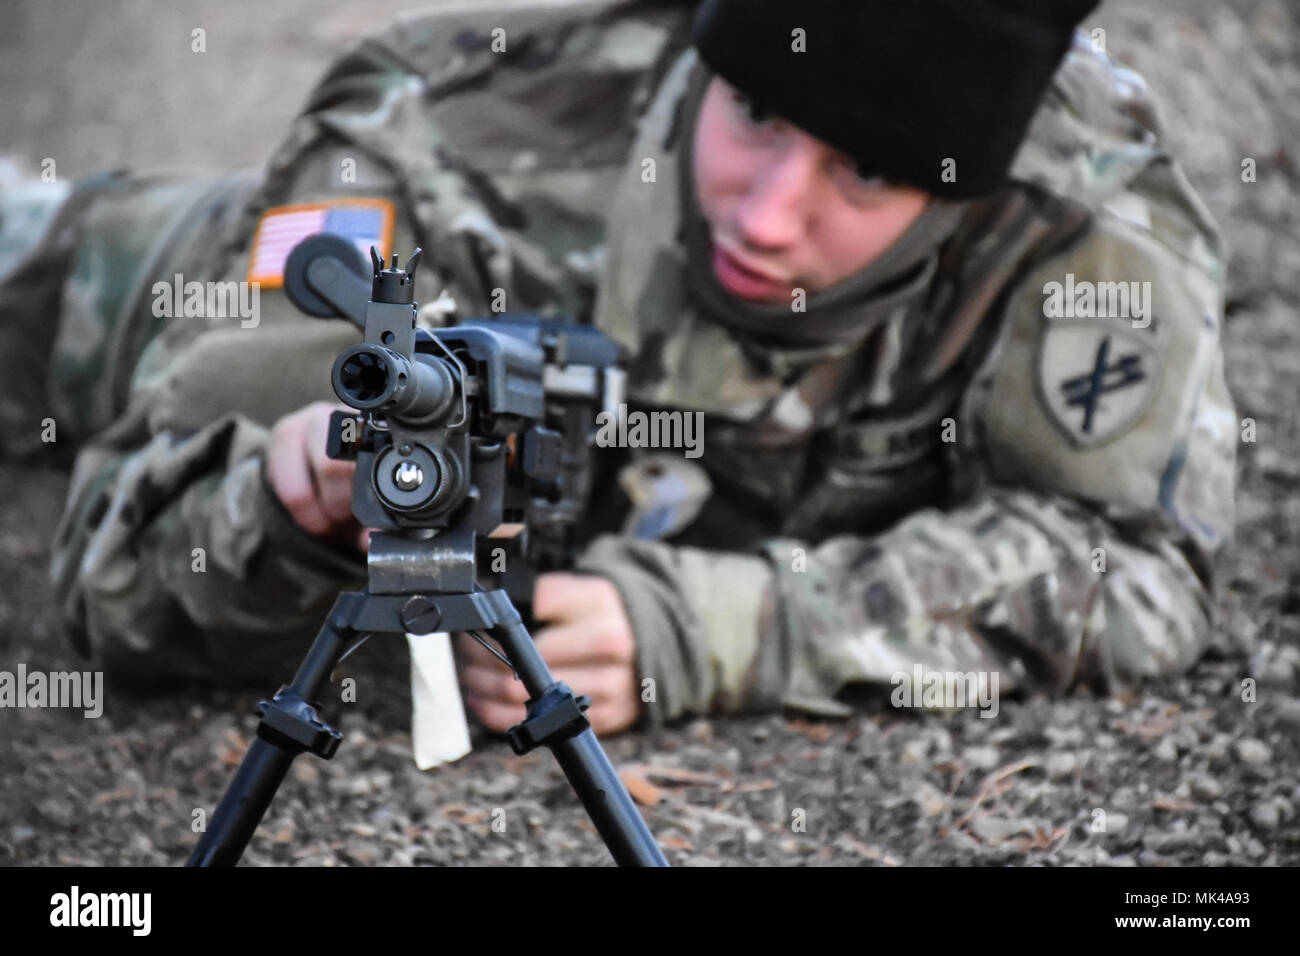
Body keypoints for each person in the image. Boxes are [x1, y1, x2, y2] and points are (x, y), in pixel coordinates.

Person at [7, 0, 1235, 737]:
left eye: (865, 172)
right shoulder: (441, 138)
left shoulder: (1083, 216)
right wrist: (291, 509)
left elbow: (1131, 563)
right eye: (752, 113)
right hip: (95, 284)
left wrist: (725, 627)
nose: (765, 214)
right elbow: (115, 572)